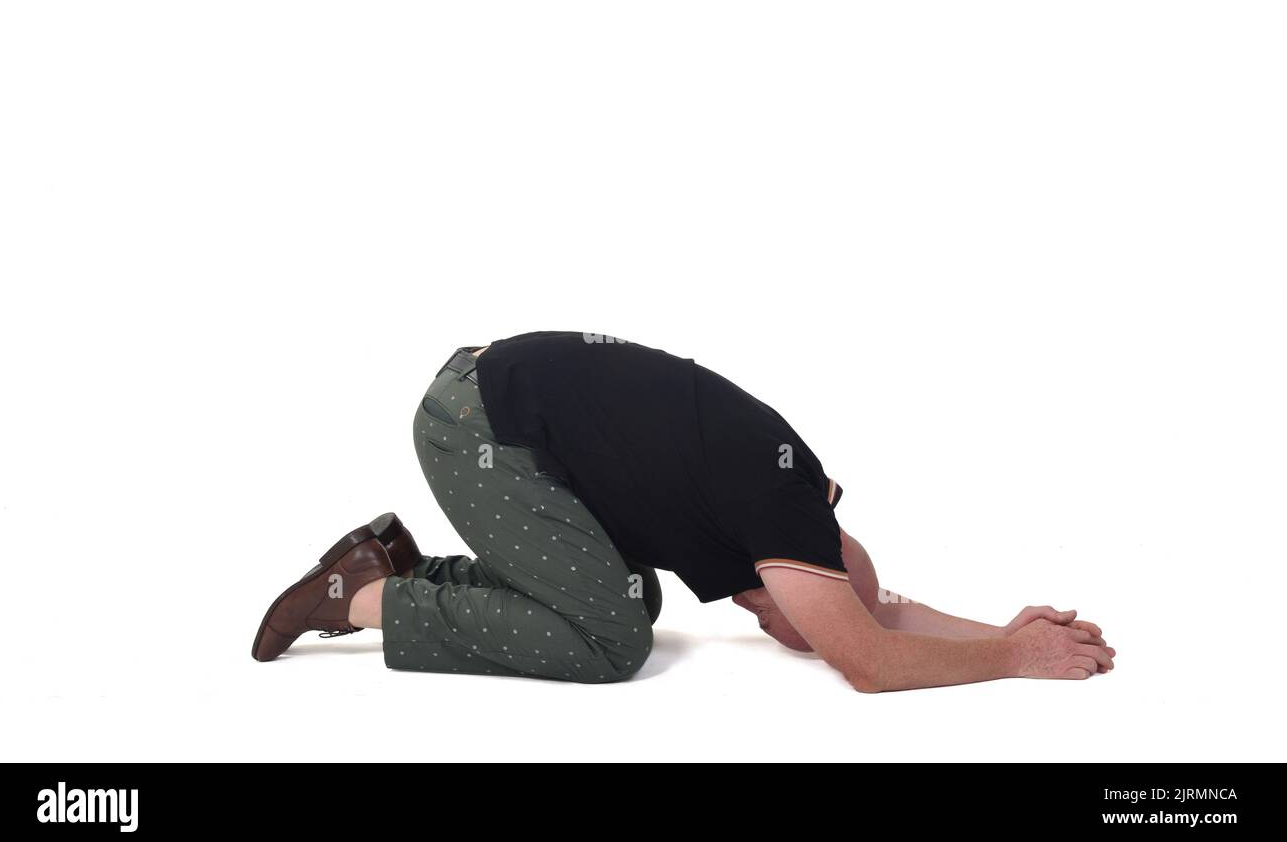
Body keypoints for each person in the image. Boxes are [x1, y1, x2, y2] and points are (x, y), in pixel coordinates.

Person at [252, 332, 1115, 690]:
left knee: (638, 596)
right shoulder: (784, 520)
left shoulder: (792, 509)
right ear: (803, 573)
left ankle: (399, 566)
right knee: (612, 642)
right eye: (800, 621)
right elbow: (871, 659)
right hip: (475, 423)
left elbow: (880, 610)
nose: (782, 630)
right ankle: (362, 598)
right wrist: (1014, 657)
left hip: (504, 408)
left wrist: (997, 627)